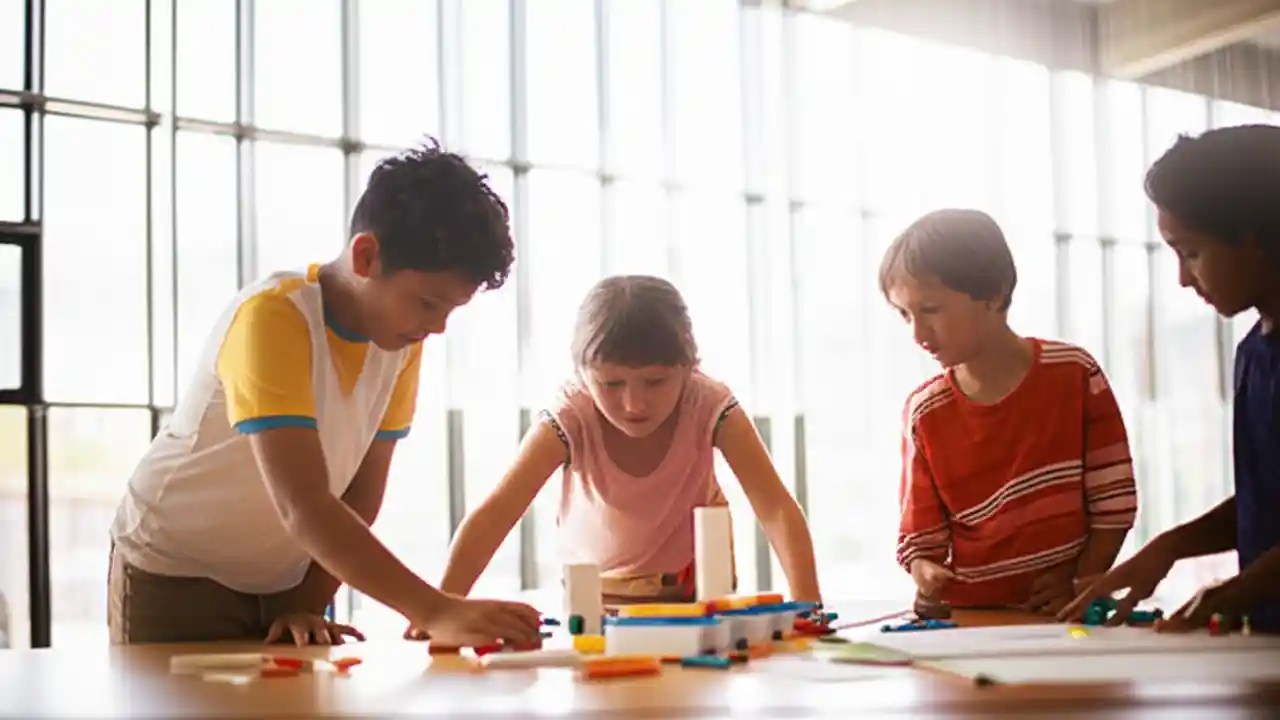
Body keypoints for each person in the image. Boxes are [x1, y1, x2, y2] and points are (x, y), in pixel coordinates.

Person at [108, 141, 541, 646]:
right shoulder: (273, 317)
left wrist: (307, 602)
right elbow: (306, 504)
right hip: (176, 571)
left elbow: (361, 494)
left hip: (287, 577)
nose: (438, 327)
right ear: (366, 256)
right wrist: (434, 609)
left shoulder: (401, 339)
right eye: (427, 303)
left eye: (450, 310)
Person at [424, 275, 822, 615]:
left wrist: (809, 607)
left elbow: (775, 507)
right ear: (582, 373)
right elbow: (497, 513)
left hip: (695, 595)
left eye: (655, 382)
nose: (634, 404)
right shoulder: (570, 416)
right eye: (611, 384)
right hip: (595, 601)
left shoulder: (710, 405)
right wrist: (439, 609)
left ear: (689, 367)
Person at [1061, 125, 1280, 632]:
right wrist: (1171, 547)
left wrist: (1227, 593)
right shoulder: (1253, 352)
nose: (1183, 277)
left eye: (1191, 252)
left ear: (1252, 236)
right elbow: (1266, 501)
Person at [884, 209, 1138, 614]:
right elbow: (920, 539)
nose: (916, 333)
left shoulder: (1073, 373)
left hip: (1067, 615)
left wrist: (1080, 581)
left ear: (995, 293)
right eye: (904, 314)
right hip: (974, 619)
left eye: (931, 309)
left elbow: (1115, 502)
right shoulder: (924, 411)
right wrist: (925, 574)